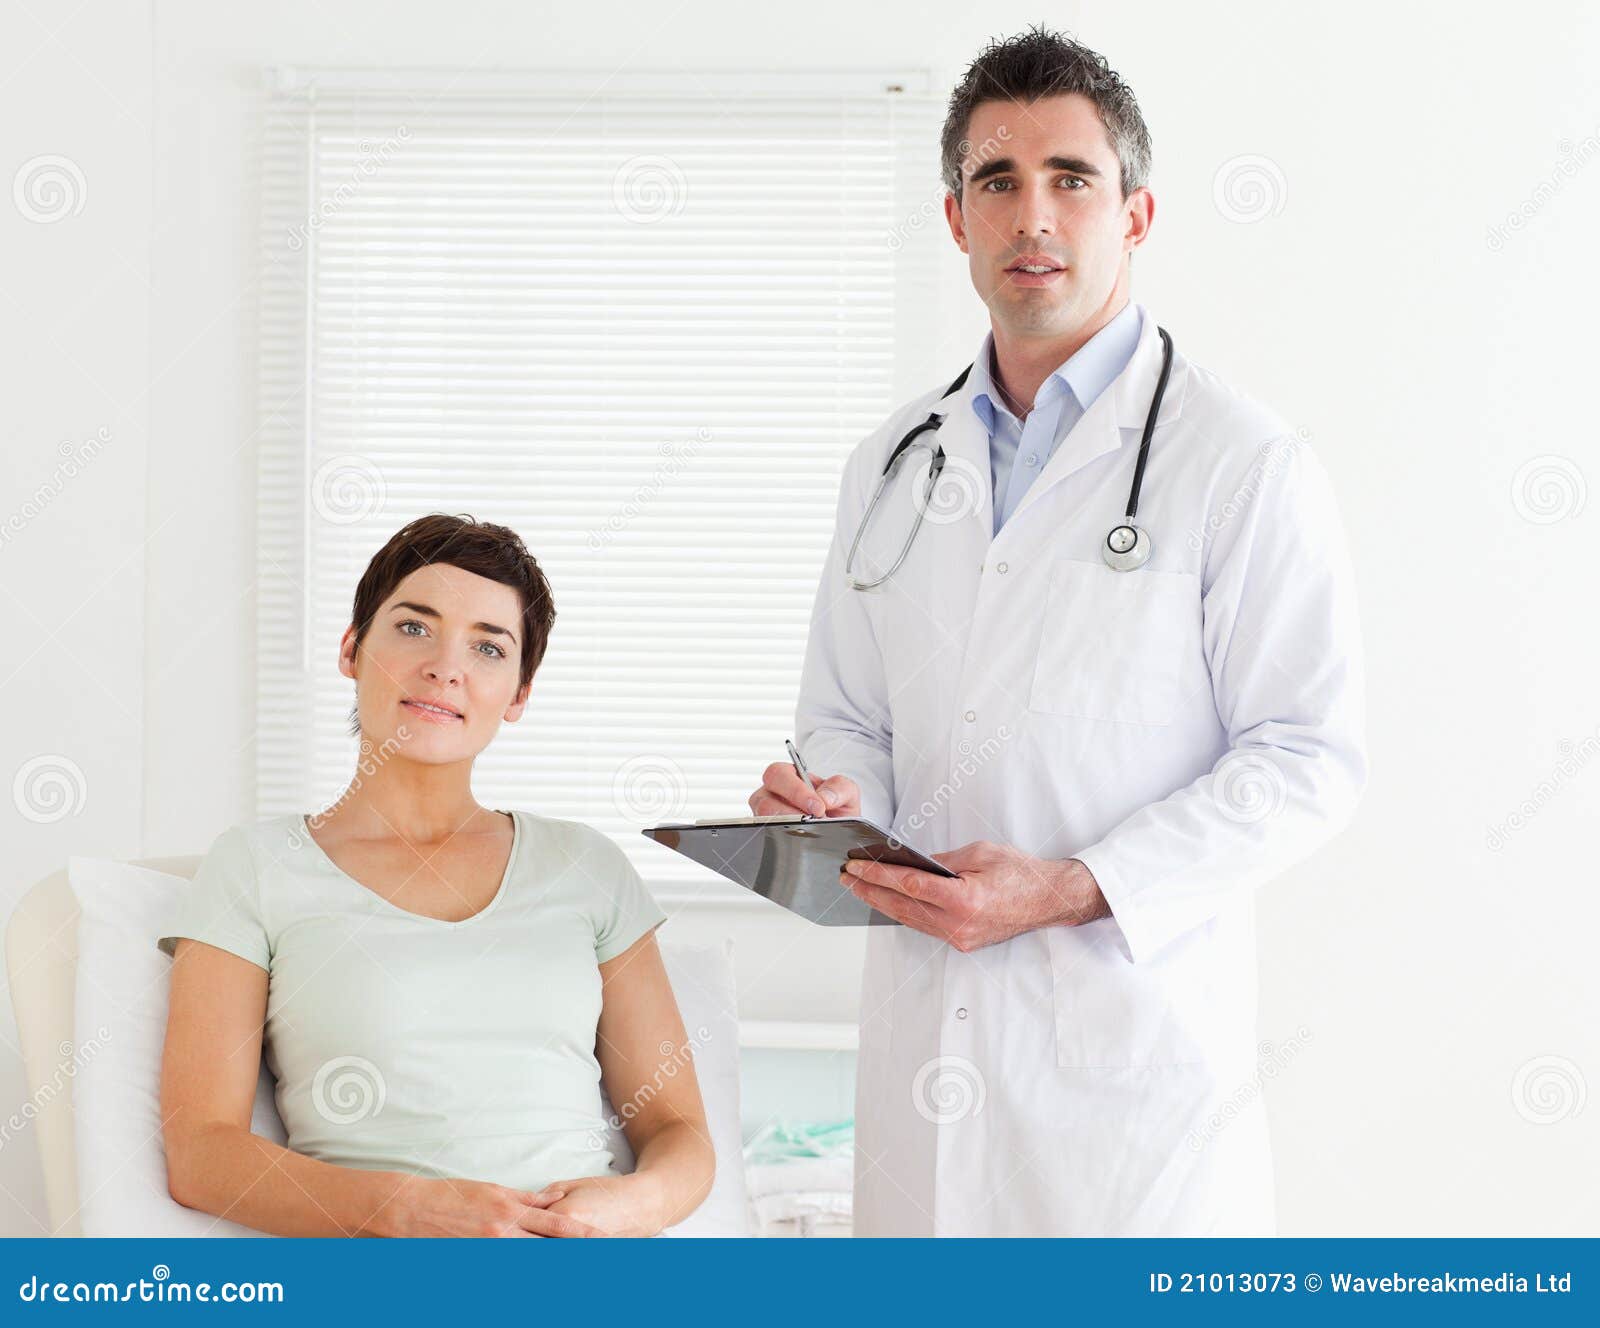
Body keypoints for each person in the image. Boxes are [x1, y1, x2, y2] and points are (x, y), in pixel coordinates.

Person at [747, 27, 1367, 1236]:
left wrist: (1076, 886)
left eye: (1069, 179)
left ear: (1134, 215)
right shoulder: (889, 462)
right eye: (998, 180)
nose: (1032, 214)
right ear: (955, 218)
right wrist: (834, 803)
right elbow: (848, 710)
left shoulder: (1238, 461)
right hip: (928, 1058)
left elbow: (1308, 757)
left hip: (1129, 1089)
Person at [158, 514, 714, 1237]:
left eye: (488, 646)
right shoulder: (256, 867)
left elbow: (680, 1131)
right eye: (415, 627)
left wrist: (627, 1207)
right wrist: (405, 1211)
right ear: (352, 649)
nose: (446, 667)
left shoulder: (585, 867)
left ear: (518, 695)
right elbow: (202, 1153)